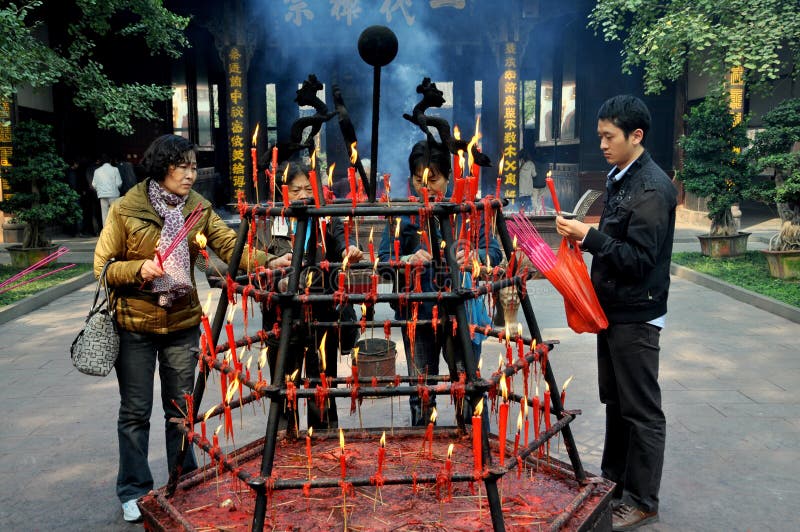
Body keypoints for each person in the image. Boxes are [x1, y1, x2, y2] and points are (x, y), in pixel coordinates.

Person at [93, 134, 275, 524]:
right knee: (135, 411)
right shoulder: (126, 209)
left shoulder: (199, 208)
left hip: (181, 322)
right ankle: (134, 489)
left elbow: (230, 246)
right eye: (184, 166)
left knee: (180, 410)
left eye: (194, 166)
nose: (192, 174)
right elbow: (103, 266)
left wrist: (270, 261)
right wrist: (138, 268)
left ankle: (185, 479)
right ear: (162, 168)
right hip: (136, 325)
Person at [555, 95, 676, 531]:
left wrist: (589, 237)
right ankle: (614, 482)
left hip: (636, 315)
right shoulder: (620, 176)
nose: (602, 144)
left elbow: (639, 258)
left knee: (641, 409)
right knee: (616, 401)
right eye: (600, 136)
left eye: (609, 137)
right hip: (613, 312)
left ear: (635, 136)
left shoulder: (652, 188)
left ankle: (643, 500)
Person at [378, 140, 502, 426]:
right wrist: (406, 259)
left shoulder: (467, 209)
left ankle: (470, 448)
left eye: (433, 180)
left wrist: (474, 255)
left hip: (461, 312)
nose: (426, 188)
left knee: (467, 386)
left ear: (448, 178)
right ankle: (424, 451)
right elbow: (383, 261)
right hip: (418, 314)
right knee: (421, 392)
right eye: (418, 180)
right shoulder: (403, 212)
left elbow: (493, 253)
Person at [262, 161, 363, 431]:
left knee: (321, 384)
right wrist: (276, 279)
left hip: (321, 313)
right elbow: (257, 260)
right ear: (282, 191)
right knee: (285, 385)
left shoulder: (326, 216)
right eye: (295, 189)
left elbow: (343, 238)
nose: (303, 195)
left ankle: (323, 442)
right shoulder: (269, 218)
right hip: (281, 317)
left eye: (308, 188)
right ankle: (286, 440)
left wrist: (349, 250)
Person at [92, 153, 122, 226]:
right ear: (110, 161)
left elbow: (94, 184)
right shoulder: (115, 169)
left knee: (104, 215)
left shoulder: (97, 171)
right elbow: (119, 183)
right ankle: (115, 232)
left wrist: (100, 190)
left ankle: (106, 233)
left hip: (102, 195)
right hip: (113, 194)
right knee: (115, 214)